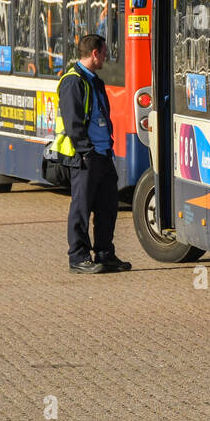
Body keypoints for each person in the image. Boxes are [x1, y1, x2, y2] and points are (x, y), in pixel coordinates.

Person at [56, 34, 131, 273]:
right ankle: (78, 257)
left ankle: (104, 254)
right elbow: (73, 122)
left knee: (107, 207)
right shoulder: (73, 81)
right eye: (105, 53)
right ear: (95, 53)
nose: (106, 57)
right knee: (81, 208)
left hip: (103, 154)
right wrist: (86, 151)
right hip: (86, 158)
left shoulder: (95, 81)